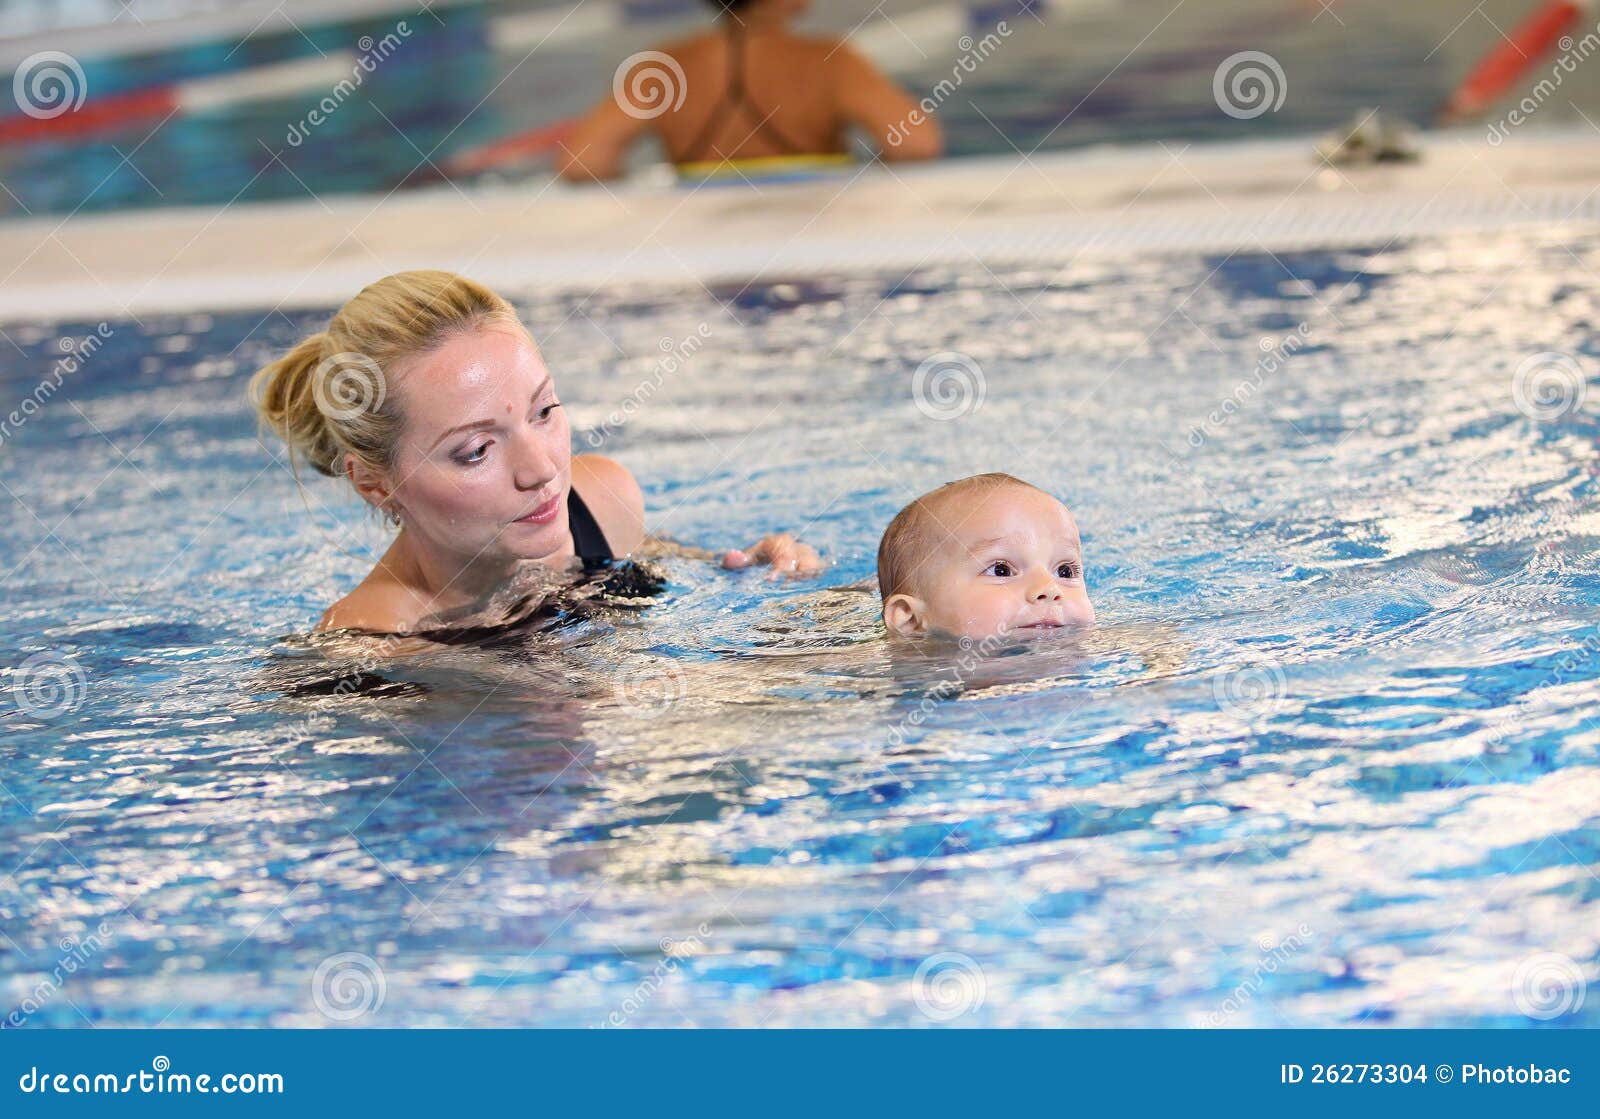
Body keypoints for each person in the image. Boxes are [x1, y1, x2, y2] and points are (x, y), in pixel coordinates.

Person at [250, 269, 822, 635]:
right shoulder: (373, 647)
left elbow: (673, 575)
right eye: (475, 450)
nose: (543, 469)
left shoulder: (599, 504)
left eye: (544, 412)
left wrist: (753, 570)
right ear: (376, 483)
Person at [557, 0, 943, 182]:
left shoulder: (665, 65)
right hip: (814, 235)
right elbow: (916, 144)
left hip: (701, 243)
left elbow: (582, 162)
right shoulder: (829, 61)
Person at [876, 473, 1094, 640]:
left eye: (1065, 571)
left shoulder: (1103, 648)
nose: (1049, 589)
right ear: (911, 620)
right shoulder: (879, 674)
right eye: (1002, 570)